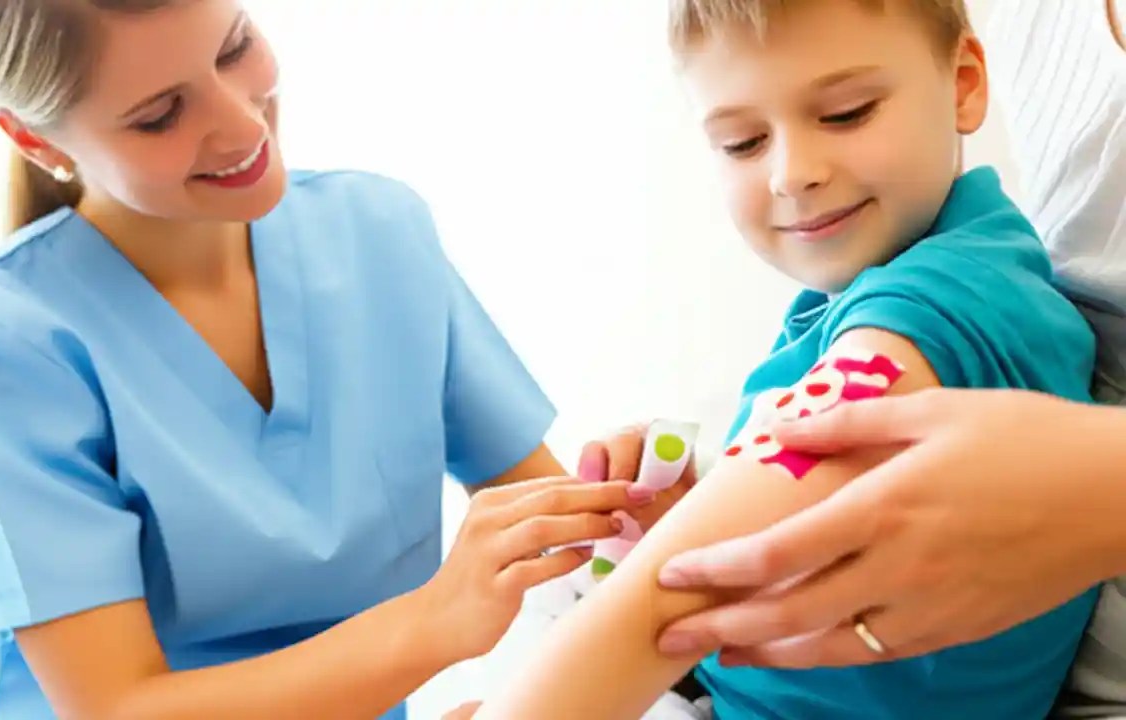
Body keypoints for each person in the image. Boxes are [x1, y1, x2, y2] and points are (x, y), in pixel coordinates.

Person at [0, 2, 674, 718]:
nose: (241, 122)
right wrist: (438, 621)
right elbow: (118, 706)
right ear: (36, 141)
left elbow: (557, 532)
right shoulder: (0, 344)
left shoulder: (378, 232)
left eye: (234, 47)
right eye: (159, 115)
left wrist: (648, 516)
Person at [469, 0, 1105, 717]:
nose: (792, 173)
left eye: (846, 113)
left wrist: (687, 553)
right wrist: (692, 518)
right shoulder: (898, 288)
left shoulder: (930, 307)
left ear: (962, 83)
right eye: (742, 143)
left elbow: (653, 605)